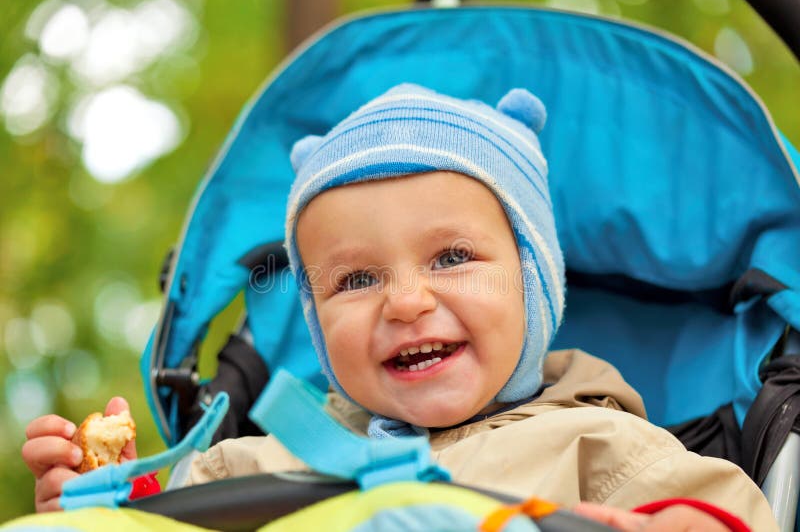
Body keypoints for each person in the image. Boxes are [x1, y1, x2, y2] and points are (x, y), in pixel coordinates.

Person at [23, 84, 777, 531]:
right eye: (355, 281)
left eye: (452, 258)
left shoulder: (600, 446)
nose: (408, 302)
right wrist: (96, 497)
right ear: (316, 325)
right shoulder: (244, 462)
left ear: (535, 284)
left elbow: (727, 516)